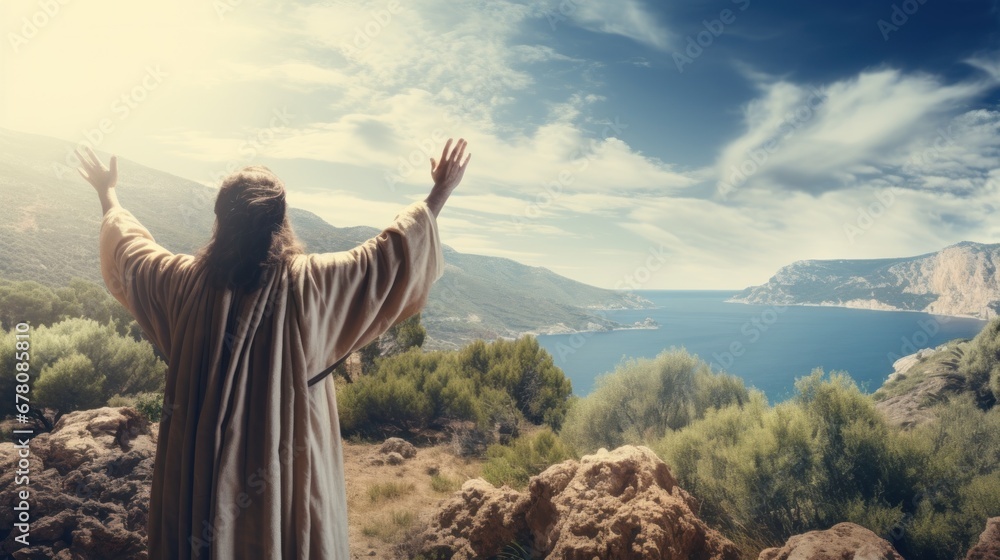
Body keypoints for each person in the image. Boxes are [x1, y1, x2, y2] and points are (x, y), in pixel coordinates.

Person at [77, 138, 471, 559]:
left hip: (198, 471)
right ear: (280, 220)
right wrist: (439, 191)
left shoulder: (179, 283)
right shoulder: (312, 285)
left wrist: (107, 191)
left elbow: (129, 250)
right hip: (283, 468)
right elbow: (389, 258)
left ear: (219, 220)